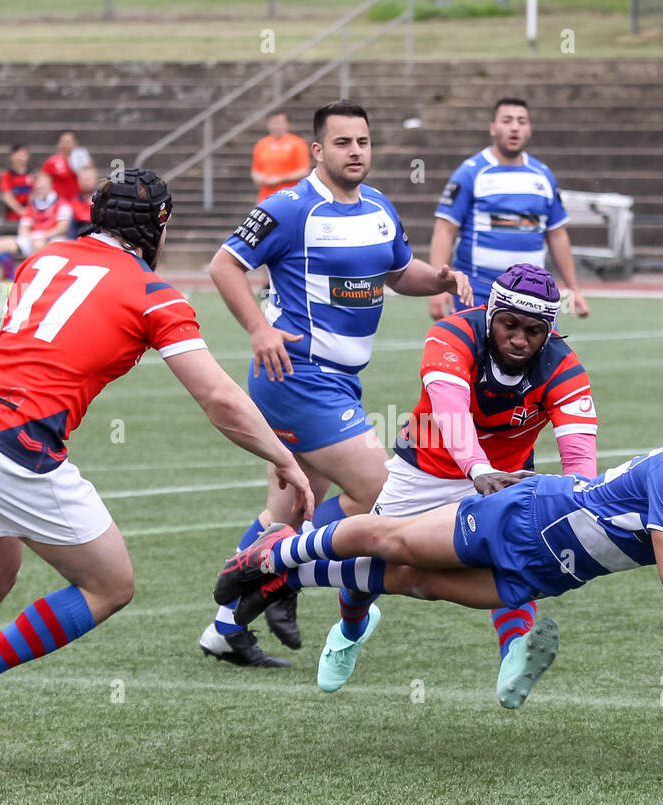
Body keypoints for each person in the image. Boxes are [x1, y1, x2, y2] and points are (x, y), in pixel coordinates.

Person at [0, 168, 314, 763]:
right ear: (158, 228)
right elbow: (218, 399)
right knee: (110, 585)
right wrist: (283, 458)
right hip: (13, 439)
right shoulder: (155, 294)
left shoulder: (45, 259)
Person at [218, 373, 663, 709]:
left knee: (412, 583)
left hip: (552, 571)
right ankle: (268, 558)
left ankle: (292, 582)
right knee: (396, 539)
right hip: (527, 517)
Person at [198, 99, 472, 668]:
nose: (355, 152)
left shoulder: (377, 206)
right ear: (317, 150)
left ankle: (226, 627)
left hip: (340, 384)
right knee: (379, 492)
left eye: (363, 142)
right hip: (296, 378)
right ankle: (279, 579)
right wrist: (258, 329)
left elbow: (400, 272)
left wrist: (440, 278)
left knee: (292, 509)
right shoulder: (289, 207)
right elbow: (224, 265)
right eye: (343, 143)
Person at [283, 262, 597, 698]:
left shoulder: (565, 368)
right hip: (426, 469)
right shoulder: (451, 334)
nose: (520, 339)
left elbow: (580, 460)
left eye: (534, 330)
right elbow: (451, 413)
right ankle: (350, 630)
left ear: (551, 330)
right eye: (509, 324)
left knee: (513, 561)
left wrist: (578, 504)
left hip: (502, 480)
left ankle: (514, 656)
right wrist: (477, 468)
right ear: (490, 314)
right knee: (369, 568)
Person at [428, 97, 590, 322]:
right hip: (478, 292)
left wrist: (573, 288)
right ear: (493, 128)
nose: (515, 127)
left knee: (536, 355)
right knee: (478, 356)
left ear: (529, 129)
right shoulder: (471, 172)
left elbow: (557, 234)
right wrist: (438, 288)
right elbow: (445, 230)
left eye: (521, 121)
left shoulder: (543, 176)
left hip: (532, 294)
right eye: (507, 120)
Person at [0, 170, 72, 279]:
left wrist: (44, 235)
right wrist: (28, 237)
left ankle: (40, 282)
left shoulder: (62, 203)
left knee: (40, 246)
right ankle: (11, 280)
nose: (39, 185)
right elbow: (23, 227)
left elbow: (62, 228)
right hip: (32, 239)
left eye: (43, 182)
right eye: (38, 182)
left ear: (51, 184)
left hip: (52, 240)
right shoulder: (32, 205)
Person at [251, 110, 311, 203]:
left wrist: (280, 179)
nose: (276, 126)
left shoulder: (297, 143)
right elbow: (256, 171)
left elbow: (303, 171)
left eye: (279, 123)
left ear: (287, 124)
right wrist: (260, 178)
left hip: (288, 197)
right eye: (273, 123)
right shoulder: (262, 144)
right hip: (265, 198)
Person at [42, 131, 83, 203]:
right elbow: (44, 181)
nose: (66, 144)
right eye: (63, 141)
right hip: (58, 203)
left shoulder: (82, 160)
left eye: (69, 141)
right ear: (58, 143)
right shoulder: (51, 161)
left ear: (75, 143)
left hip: (77, 201)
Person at [0, 144, 32, 224]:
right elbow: (7, 196)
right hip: (11, 217)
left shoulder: (32, 175)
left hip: (29, 217)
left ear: (28, 156)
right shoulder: (7, 175)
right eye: (18, 155)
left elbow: (33, 194)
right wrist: (21, 211)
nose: (20, 158)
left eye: (23, 155)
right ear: (12, 156)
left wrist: (28, 211)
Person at [69, 166, 99, 237]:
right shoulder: (74, 201)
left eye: (87, 179)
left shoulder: (103, 200)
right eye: (82, 180)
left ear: (95, 180)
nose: (84, 182)